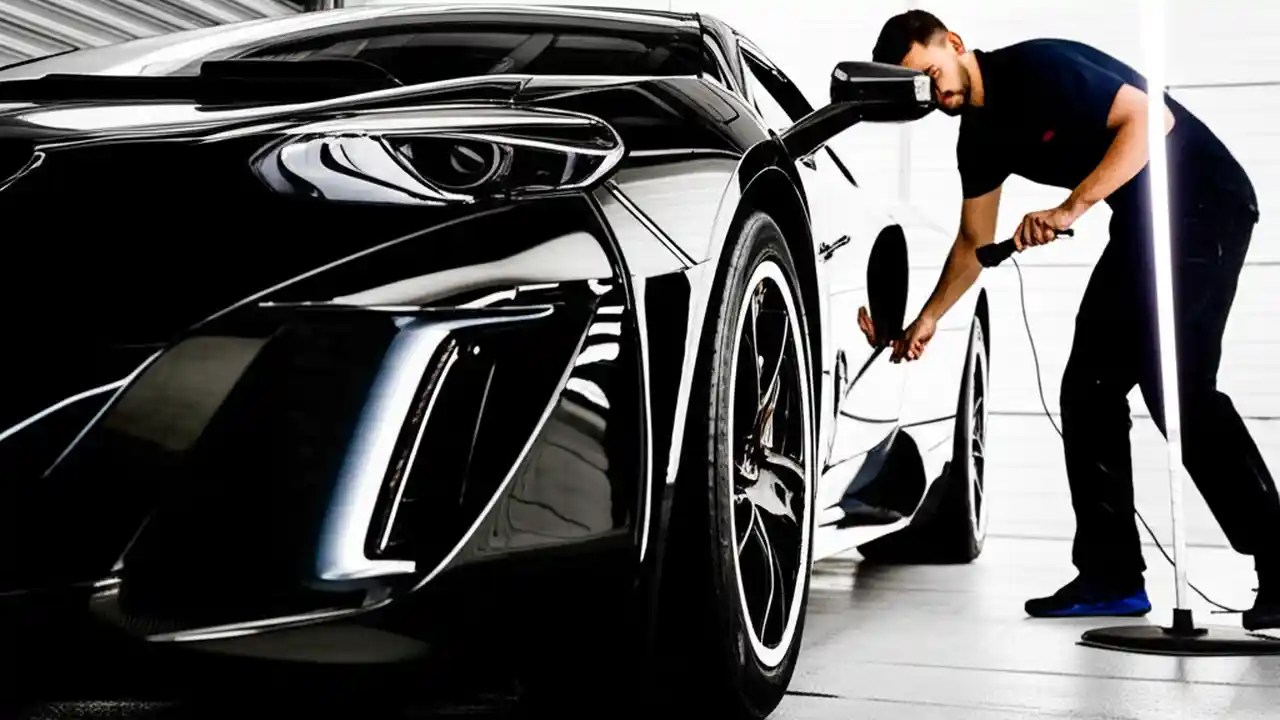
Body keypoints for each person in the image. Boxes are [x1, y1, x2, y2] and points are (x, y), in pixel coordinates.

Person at [860, 9, 1280, 629]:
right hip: (1143, 220)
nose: (934, 92)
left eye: (930, 72)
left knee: (1179, 389)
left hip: (1202, 202)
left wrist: (1069, 207)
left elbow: (1148, 120)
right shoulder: (977, 138)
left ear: (953, 43)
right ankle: (1112, 576)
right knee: (1089, 387)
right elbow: (974, 240)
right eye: (918, 88)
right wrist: (927, 320)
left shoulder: (1036, 69)